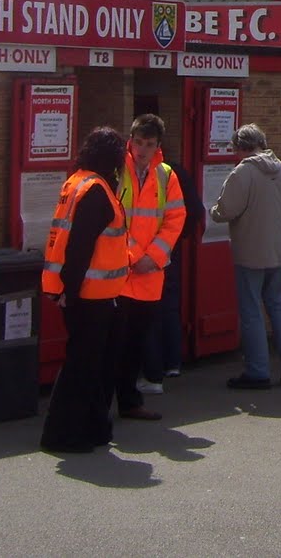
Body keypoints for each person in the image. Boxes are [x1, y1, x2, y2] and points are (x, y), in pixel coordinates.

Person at [40, 127, 129, 454]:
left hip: (90, 292)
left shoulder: (78, 182)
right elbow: (79, 248)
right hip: (90, 295)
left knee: (93, 363)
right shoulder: (96, 191)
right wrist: (71, 290)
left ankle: (94, 427)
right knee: (83, 366)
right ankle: (62, 434)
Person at [211, 123, 281, 390]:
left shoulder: (244, 172)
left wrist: (214, 211)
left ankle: (258, 370)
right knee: (278, 304)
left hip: (250, 251)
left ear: (241, 147)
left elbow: (225, 209)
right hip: (279, 251)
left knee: (251, 310)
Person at [112, 113, 189, 420]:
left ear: (158, 145)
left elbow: (175, 220)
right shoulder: (117, 170)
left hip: (148, 274)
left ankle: (129, 403)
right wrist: (135, 256)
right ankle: (107, 404)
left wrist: (153, 257)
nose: (142, 149)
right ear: (130, 141)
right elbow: (113, 218)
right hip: (119, 272)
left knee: (135, 344)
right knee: (113, 344)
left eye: (149, 144)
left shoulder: (166, 175)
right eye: (138, 143)